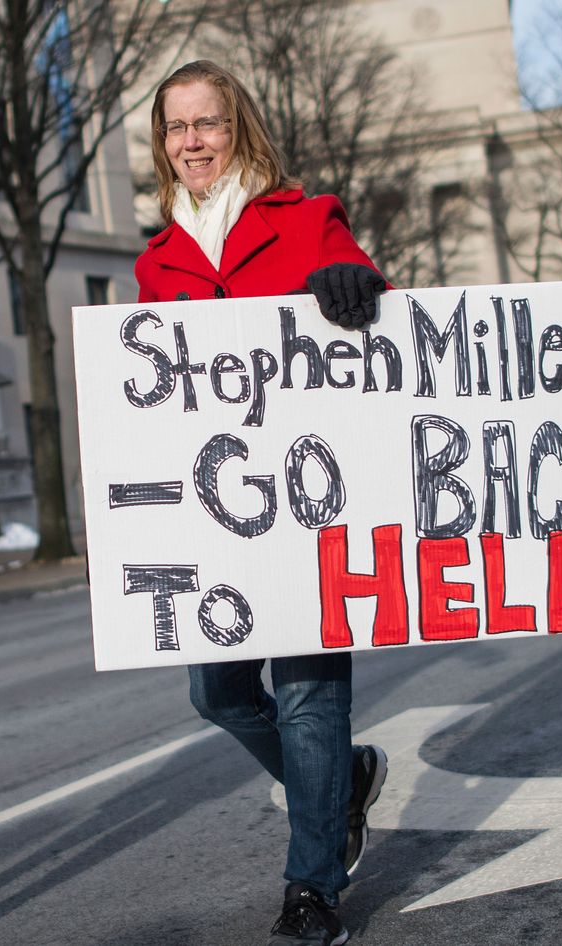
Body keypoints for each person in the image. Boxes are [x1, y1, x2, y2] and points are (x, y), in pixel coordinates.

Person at [135, 61, 389, 946]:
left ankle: (311, 888)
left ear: (239, 127)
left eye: (208, 123)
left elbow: (372, 310)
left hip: (313, 505)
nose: (193, 141)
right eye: (177, 128)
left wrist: (353, 284)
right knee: (217, 694)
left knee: (310, 700)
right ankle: (343, 782)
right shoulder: (156, 260)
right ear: (163, 144)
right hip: (217, 521)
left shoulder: (307, 218)